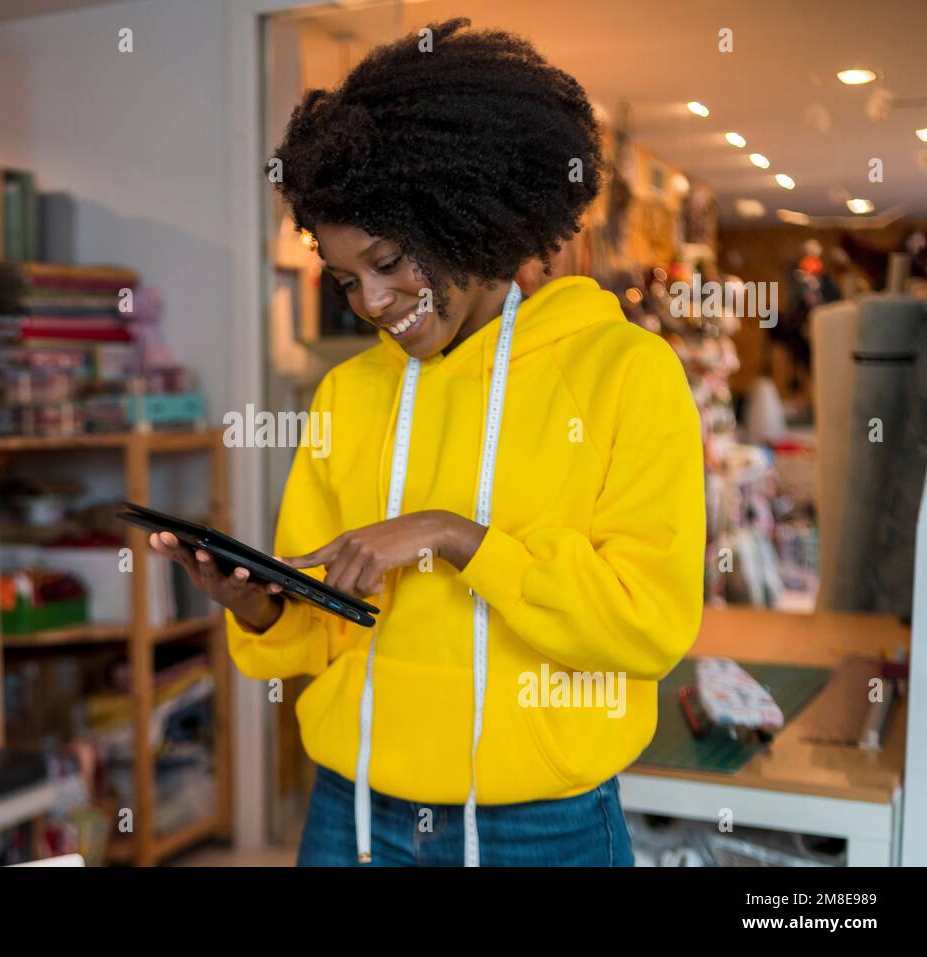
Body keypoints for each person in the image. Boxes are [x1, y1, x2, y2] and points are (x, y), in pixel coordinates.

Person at [148, 18, 705, 866]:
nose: (370, 300)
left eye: (389, 260)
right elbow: (329, 625)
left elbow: (649, 622)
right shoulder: (350, 393)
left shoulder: (626, 372)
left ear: (468, 219)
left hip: (539, 826)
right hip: (354, 813)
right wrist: (255, 601)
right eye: (345, 279)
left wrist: (456, 536)